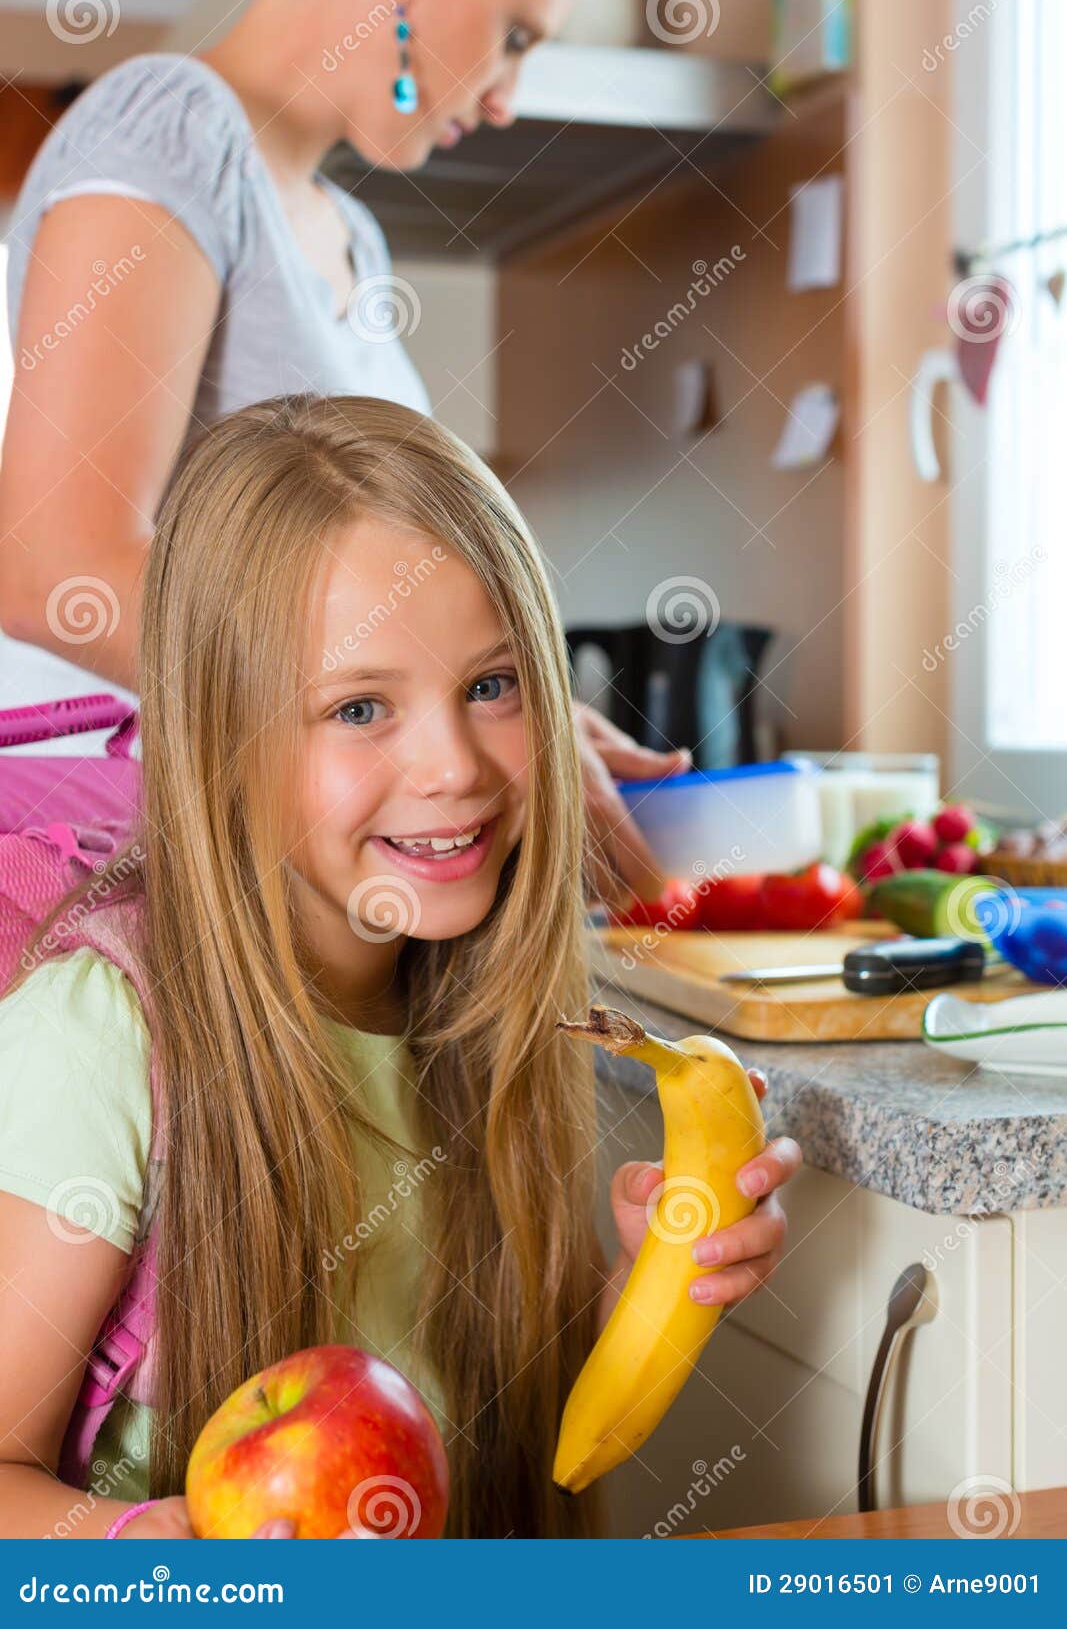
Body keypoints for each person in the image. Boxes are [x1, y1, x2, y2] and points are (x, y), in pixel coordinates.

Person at [0, 397, 801, 1538]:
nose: (453, 768)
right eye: (360, 707)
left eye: (491, 685)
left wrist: (647, 1290)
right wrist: (149, 1550)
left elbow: (456, 1417)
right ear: (220, 743)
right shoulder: (102, 1033)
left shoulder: (474, 999)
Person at [0, 0, 682, 901]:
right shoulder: (172, 126)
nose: (504, 99)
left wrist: (519, 709)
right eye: (515, 34)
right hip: (129, 858)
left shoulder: (348, 232)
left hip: (263, 864)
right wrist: (421, 712)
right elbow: (53, 572)